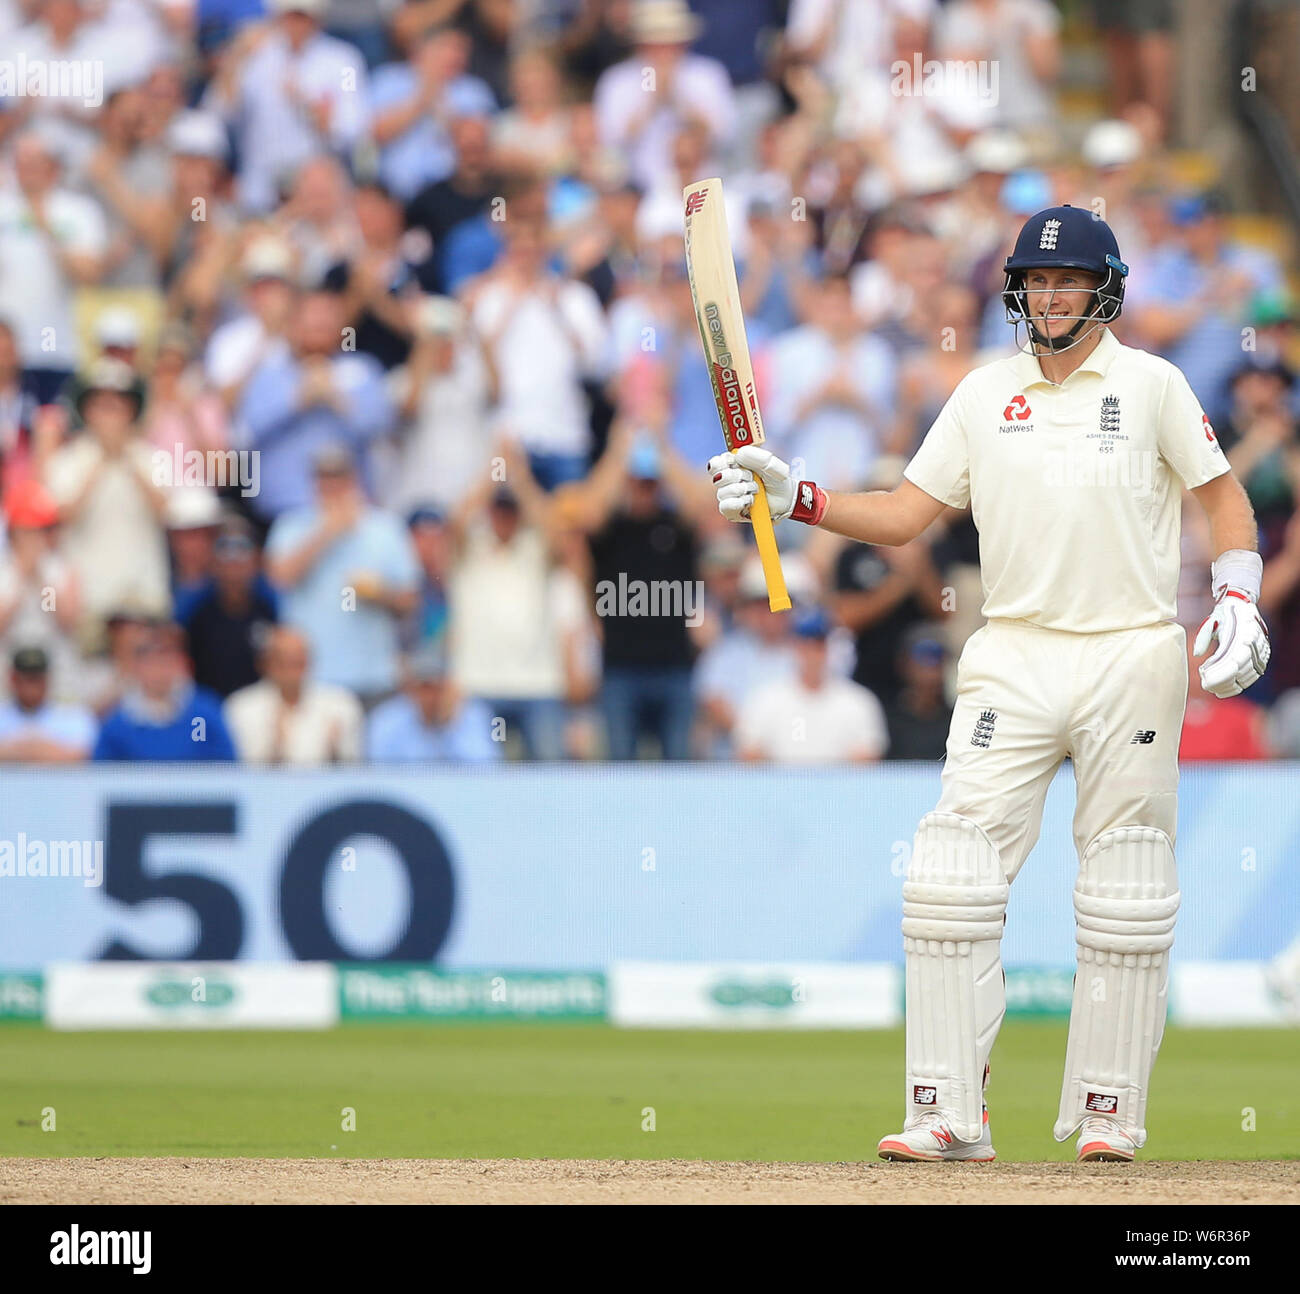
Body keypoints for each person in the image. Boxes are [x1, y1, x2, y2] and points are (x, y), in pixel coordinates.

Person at [710, 205, 1270, 1163]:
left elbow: (1223, 499)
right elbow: (901, 517)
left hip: (1131, 649)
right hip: (1011, 651)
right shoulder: (982, 394)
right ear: (1017, 288)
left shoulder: (1153, 386)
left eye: (1069, 281)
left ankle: (1109, 1114)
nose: (1050, 296)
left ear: (1106, 290)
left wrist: (1239, 596)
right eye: (1037, 281)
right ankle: (946, 1113)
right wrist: (794, 495)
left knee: (1127, 880)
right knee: (948, 876)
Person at [264, 443, 418, 705]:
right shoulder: (290, 525)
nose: (332, 486)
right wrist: (327, 532)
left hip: (372, 677)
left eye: (339, 477)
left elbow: (409, 602)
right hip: (311, 680)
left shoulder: (385, 528)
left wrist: (381, 594)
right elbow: (279, 577)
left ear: (354, 479)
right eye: (324, 478)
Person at [735, 606, 888, 763]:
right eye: (804, 643)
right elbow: (750, 757)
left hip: (838, 786)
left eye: (818, 644)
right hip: (780, 786)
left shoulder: (859, 702)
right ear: (793, 646)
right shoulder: (764, 700)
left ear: (830, 646)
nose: (811, 652)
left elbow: (867, 763)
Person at [94, 622, 237, 761]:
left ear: (180, 663)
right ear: (137, 667)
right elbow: (104, 773)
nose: (160, 670)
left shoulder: (204, 715)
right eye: (152, 662)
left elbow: (225, 764)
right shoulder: (118, 723)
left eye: (167, 661)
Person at [224, 625, 362, 764]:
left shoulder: (340, 702)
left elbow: (355, 769)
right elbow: (242, 773)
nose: (292, 671)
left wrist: (336, 754)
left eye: (298, 662)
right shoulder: (242, 706)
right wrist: (274, 748)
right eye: (283, 661)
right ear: (264, 663)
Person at [366, 643, 499, 763]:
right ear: (409, 688)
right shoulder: (386, 718)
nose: (431, 697)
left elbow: (486, 768)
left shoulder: (475, 713)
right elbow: (379, 770)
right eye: (424, 688)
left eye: (438, 688)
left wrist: (448, 725)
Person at [0, 647, 96, 763]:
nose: (31, 687)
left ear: (47, 679)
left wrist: (16, 751)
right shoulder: (3, 714)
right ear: (13, 679)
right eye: (26, 679)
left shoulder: (72, 716)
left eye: (37, 679)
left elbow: (84, 756)